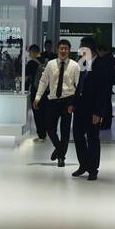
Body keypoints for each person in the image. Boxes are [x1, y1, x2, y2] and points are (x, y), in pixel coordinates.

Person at [71, 36, 114, 179]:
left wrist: (98, 112)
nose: (81, 52)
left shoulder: (103, 64)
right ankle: (83, 164)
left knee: (93, 138)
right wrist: (73, 103)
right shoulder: (83, 63)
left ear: (91, 49)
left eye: (83, 49)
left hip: (93, 108)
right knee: (78, 136)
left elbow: (104, 91)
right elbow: (78, 85)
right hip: (79, 107)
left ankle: (93, 169)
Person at [33, 39, 80, 167]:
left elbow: (78, 86)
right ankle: (59, 148)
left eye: (66, 48)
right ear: (57, 50)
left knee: (65, 130)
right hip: (53, 100)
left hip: (68, 100)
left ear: (69, 50)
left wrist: (74, 104)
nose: (63, 51)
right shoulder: (50, 64)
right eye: (61, 48)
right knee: (49, 127)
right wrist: (37, 97)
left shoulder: (75, 66)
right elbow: (43, 82)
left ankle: (61, 157)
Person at [24, 44, 46, 141]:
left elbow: (25, 75)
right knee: (44, 111)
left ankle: (41, 135)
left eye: (30, 52)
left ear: (32, 52)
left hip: (36, 90)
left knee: (37, 112)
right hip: (46, 90)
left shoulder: (31, 63)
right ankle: (45, 131)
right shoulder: (46, 61)